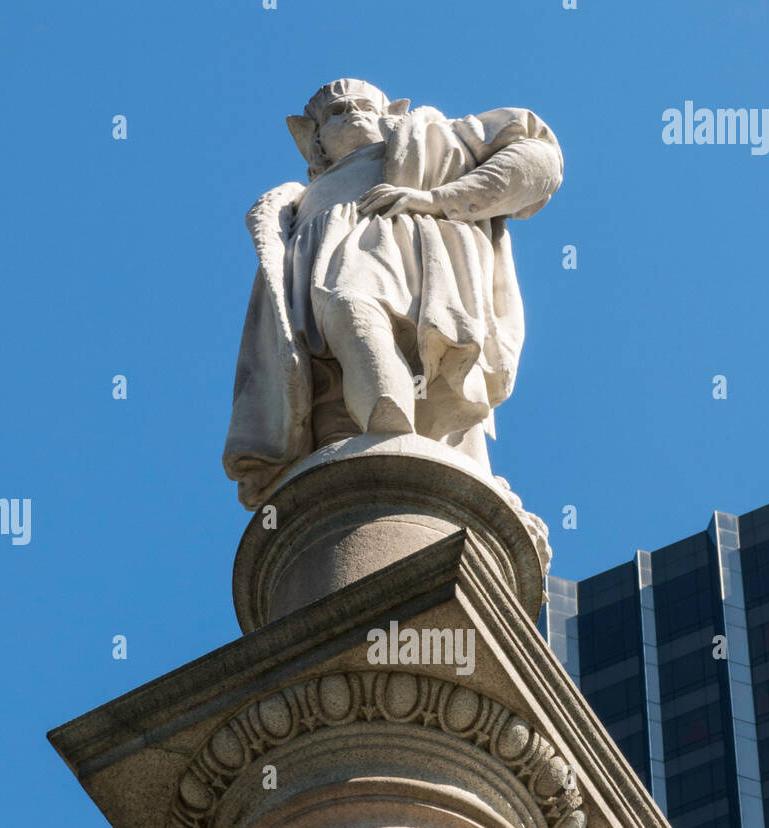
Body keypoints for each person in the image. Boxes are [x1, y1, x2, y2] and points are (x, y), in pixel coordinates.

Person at [223, 79, 563, 508]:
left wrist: (441, 198)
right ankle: (365, 480)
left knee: (352, 306)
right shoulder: (293, 203)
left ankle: (393, 436)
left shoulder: (434, 137)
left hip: (408, 267)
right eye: (336, 113)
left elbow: (539, 157)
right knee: (329, 407)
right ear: (315, 138)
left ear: (389, 115)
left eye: (363, 106)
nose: (352, 113)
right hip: (309, 304)